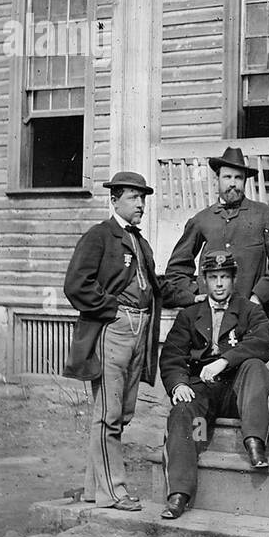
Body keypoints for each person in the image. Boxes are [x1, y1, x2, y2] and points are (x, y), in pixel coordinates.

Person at [63, 171, 172, 510]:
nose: (141, 204)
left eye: (143, 198)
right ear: (114, 200)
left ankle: (93, 489)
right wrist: (111, 309)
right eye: (133, 197)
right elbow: (76, 284)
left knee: (121, 413)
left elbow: (156, 286)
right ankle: (115, 492)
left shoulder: (139, 242)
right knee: (109, 413)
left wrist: (195, 293)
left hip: (141, 331)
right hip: (114, 329)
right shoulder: (100, 236)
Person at [158, 247, 269, 520]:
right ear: (204, 280)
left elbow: (260, 344)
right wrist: (178, 385)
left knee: (256, 366)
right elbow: (172, 356)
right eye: (213, 277)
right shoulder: (189, 315)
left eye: (225, 276)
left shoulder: (250, 311)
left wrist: (225, 361)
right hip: (204, 391)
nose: (219, 284)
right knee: (183, 411)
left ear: (234, 279)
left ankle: (255, 442)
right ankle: (179, 493)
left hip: (239, 392)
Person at [164, 145, 269, 312]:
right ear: (217, 180)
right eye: (227, 177)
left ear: (245, 181)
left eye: (238, 178)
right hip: (209, 312)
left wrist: (258, 297)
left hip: (250, 311)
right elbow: (176, 269)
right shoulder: (201, 219)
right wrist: (198, 293)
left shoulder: (266, 216)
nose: (232, 183)